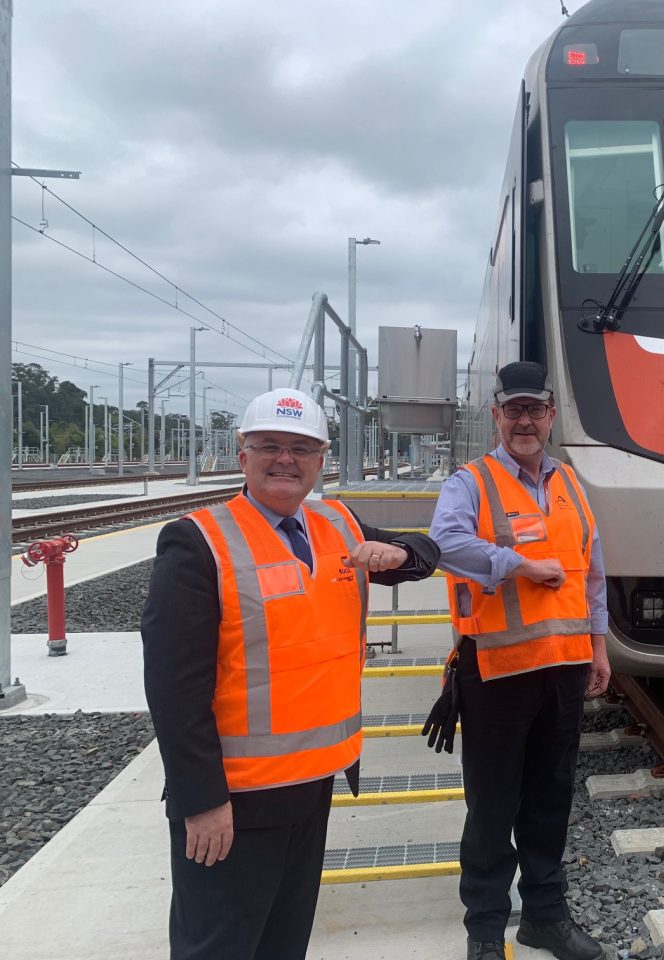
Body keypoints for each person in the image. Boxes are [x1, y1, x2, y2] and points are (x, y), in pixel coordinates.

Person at [141, 387, 440, 960]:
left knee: (283, 941)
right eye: (269, 446)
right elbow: (174, 690)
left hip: (313, 785)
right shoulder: (198, 542)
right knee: (220, 945)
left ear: (321, 460)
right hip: (236, 800)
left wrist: (402, 554)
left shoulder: (336, 523)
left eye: (301, 448)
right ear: (241, 454)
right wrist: (199, 800)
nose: (286, 459)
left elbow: (423, 552)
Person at [427, 360, 610, 960]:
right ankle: (484, 930)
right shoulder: (471, 483)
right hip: (497, 674)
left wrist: (599, 646)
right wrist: (520, 565)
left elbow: (592, 572)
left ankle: (545, 919)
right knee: (491, 808)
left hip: (561, 671)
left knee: (550, 802)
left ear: (551, 415)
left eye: (535, 410)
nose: (524, 421)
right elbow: (446, 544)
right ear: (496, 416)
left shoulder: (570, 485)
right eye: (514, 411)